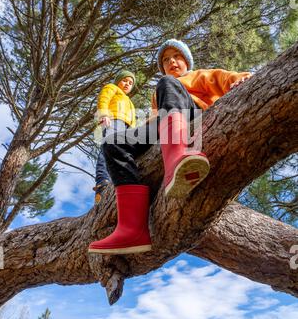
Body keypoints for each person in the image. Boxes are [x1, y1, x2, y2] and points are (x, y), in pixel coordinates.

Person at [89, 39, 251, 253]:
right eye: (166, 60)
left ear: (187, 60)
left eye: (177, 56)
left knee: (167, 83)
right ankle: (132, 229)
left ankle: (177, 157)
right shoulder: (159, 95)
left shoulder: (198, 75)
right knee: (113, 143)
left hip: (195, 115)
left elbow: (229, 78)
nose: (172, 61)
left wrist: (244, 80)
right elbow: (155, 120)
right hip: (167, 122)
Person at [93, 70, 136, 204]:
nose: (127, 84)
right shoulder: (112, 88)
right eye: (125, 80)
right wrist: (104, 115)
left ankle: (116, 180)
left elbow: (133, 118)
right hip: (114, 120)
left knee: (122, 153)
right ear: (118, 80)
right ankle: (102, 181)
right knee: (109, 148)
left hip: (127, 128)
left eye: (130, 83)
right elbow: (103, 99)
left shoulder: (129, 101)